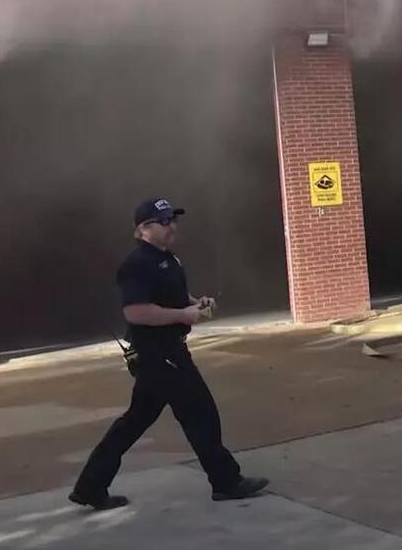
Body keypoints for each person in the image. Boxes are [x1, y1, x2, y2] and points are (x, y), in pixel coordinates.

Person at [69, 198, 269, 511]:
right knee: (200, 413)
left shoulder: (170, 260)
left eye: (173, 220)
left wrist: (195, 303)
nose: (172, 226)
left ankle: (90, 487)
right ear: (143, 229)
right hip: (158, 353)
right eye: (164, 221)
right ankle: (226, 481)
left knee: (135, 422)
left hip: (167, 352)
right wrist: (182, 316)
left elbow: (174, 298)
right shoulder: (136, 265)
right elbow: (136, 312)